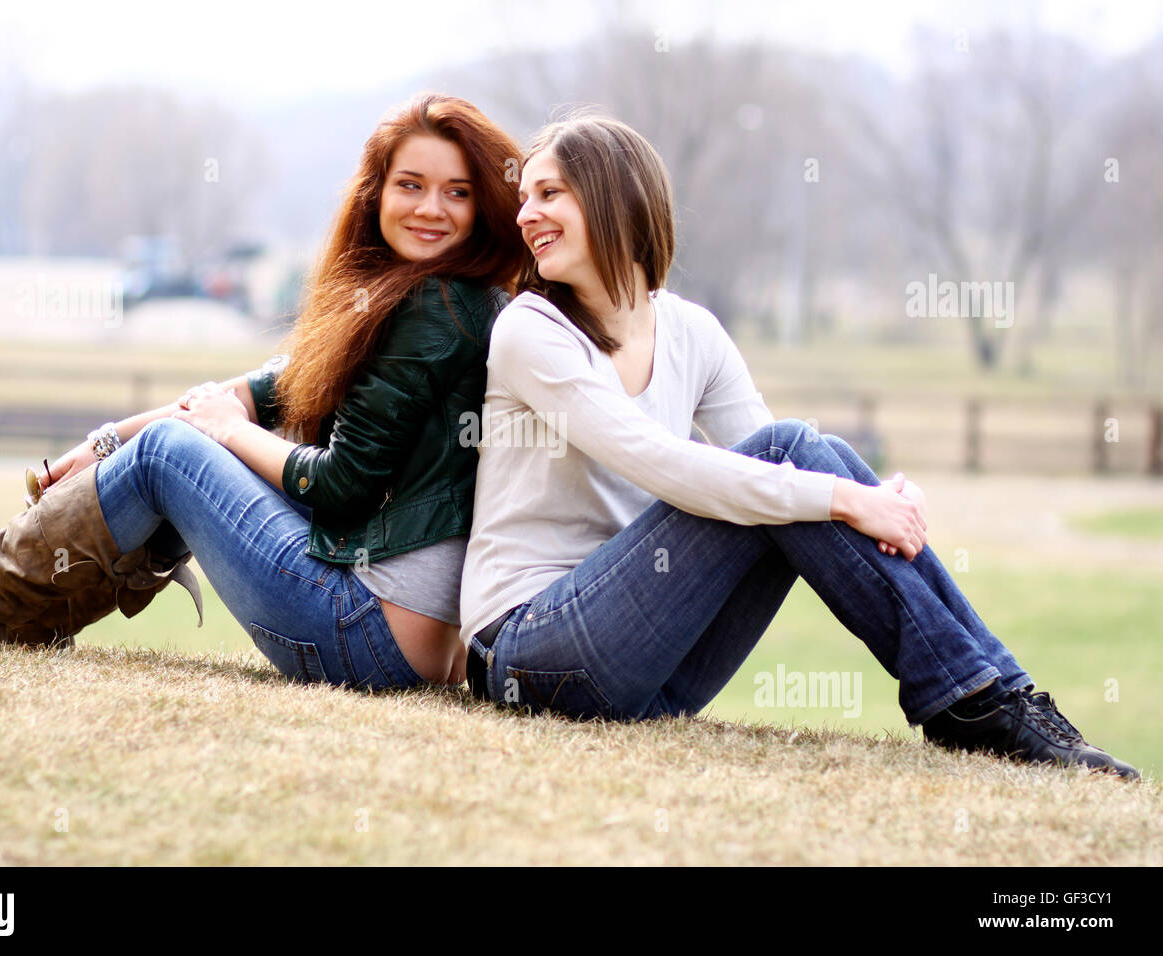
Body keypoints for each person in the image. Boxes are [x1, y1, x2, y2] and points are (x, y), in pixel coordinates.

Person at [459, 114, 1139, 779]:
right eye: (525, 200)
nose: (526, 215)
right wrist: (849, 499)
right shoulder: (531, 330)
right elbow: (660, 462)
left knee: (807, 457)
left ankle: (1000, 695)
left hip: (649, 681)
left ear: (616, 197)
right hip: (530, 657)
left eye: (549, 194)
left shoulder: (691, 330)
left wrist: (866, 499)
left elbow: (770, 456)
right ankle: (971, 700)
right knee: (803, 468)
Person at [0, 93, 525, 690]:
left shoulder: (440, 308)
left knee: (168, 453)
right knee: (163, 444)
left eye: (457, 192)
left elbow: (339, 485)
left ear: (481, 206)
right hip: (388, 627)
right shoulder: (397, 298)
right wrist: (102, 443)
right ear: (375, 195)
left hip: (368, 637)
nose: (430, 208)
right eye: (410, 185)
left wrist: (225, 432)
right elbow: (249, 393)